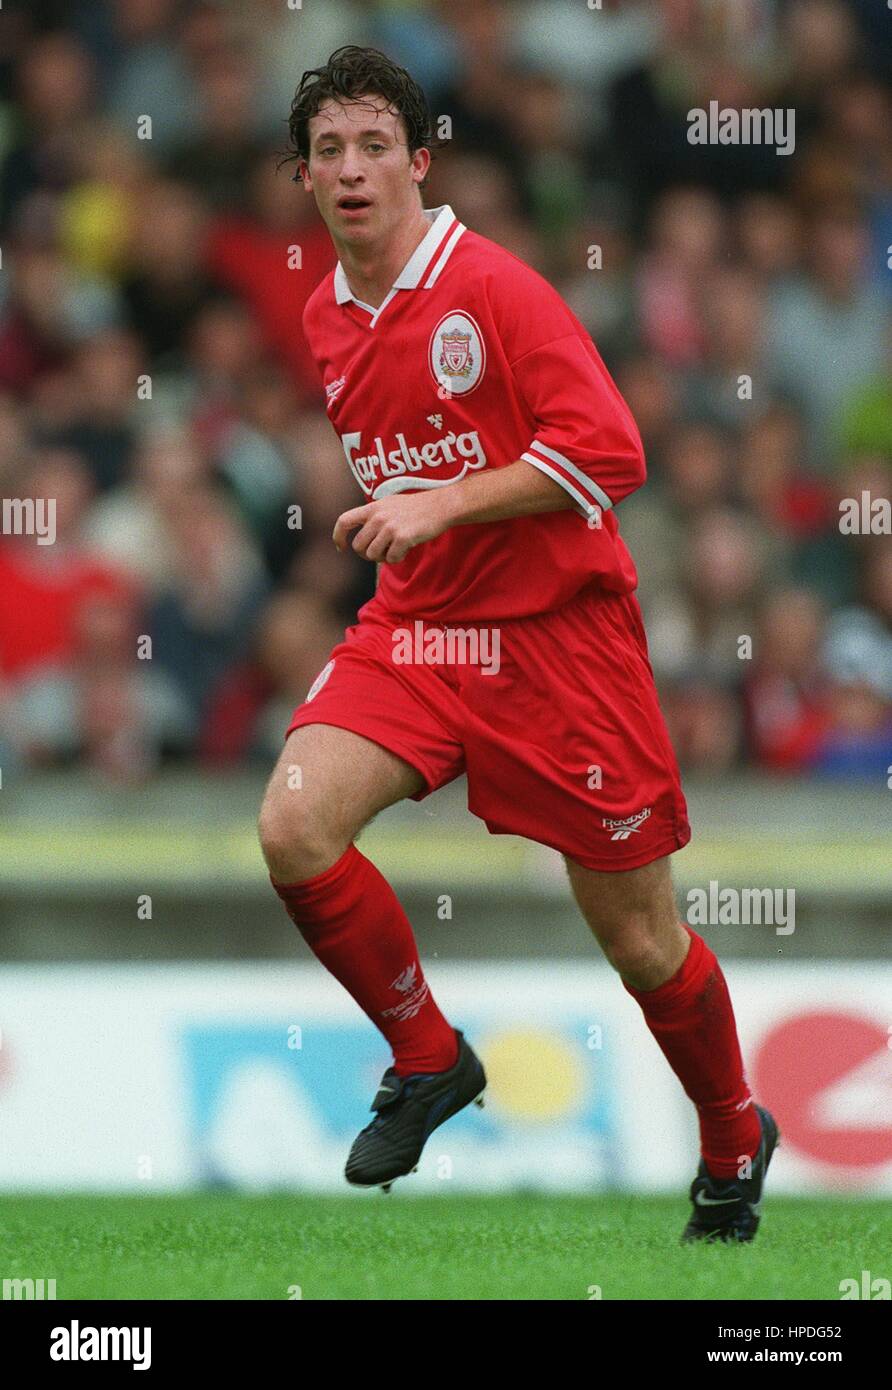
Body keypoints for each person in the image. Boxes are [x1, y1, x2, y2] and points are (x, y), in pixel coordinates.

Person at [258, 45, 777, 1242]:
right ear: (301, 176)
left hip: (558, 644)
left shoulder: (491, 286)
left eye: (374, 145)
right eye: (327, 151)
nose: (351, 170)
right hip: (423, 630)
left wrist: (443, 501)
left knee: (642, 941)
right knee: (293, 825)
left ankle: (730, 1134)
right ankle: (430, 1056)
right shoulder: (323, 313)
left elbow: (612, 452)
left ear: (419, 161)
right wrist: (422, 526)